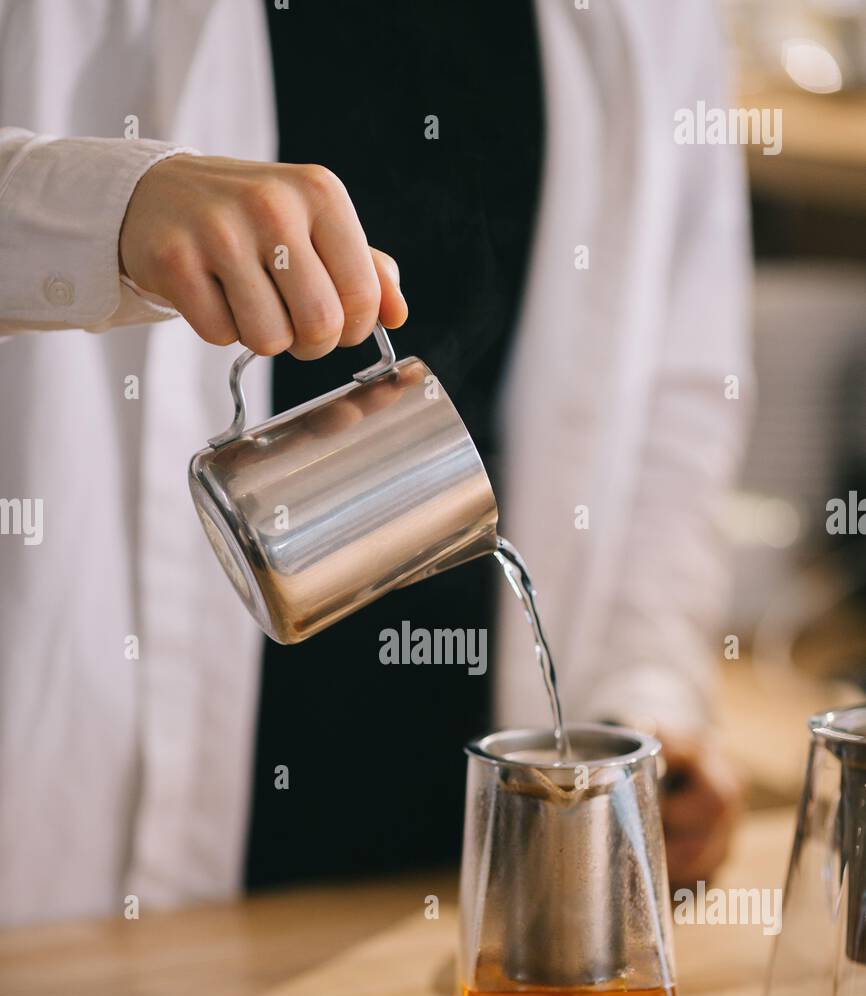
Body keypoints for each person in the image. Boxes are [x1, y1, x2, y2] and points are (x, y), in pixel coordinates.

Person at [0, 0, 749, 925]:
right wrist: (92, 204)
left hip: (450, 848)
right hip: (74, 835)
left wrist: (647, 698)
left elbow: (680, 387)